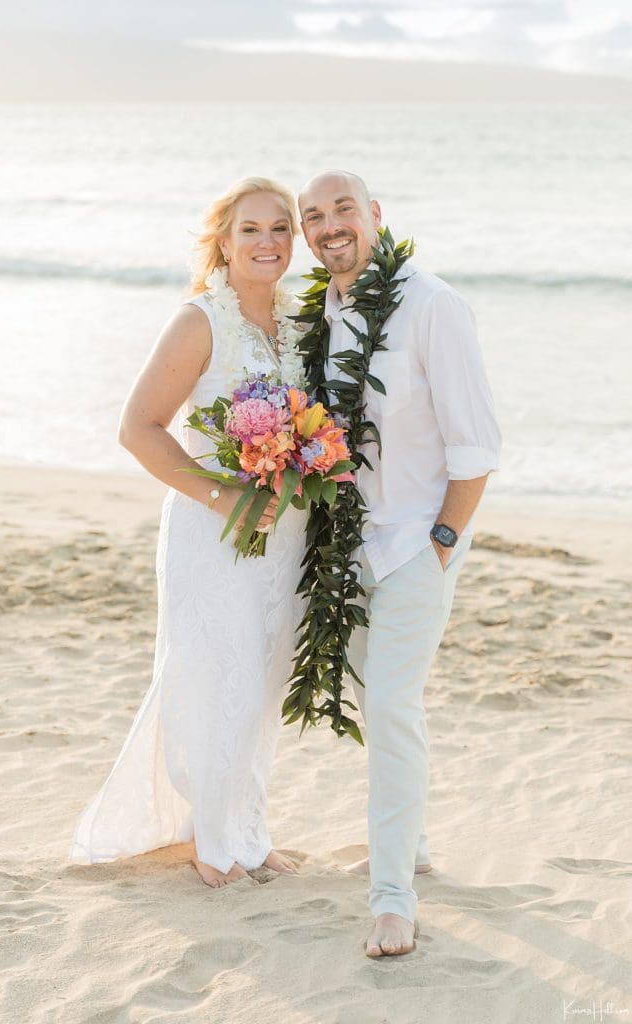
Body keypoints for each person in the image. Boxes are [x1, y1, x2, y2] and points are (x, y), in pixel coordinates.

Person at [70, 177, 307, 888]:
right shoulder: (200, 320)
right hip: (215, 529)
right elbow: (137, 428)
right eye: (250, 230)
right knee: (212, 671)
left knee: (261, 679)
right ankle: (210, 834)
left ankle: (245, 829)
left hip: (283, 534)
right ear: (223, 242)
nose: (266, 242)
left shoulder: (300, 322)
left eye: (279, 228)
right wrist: (219, 496)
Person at [297, 170, 502, 956]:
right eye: (312, 216)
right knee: (376, 701)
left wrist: (442, 545)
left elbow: (476, 445)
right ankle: (407, 847)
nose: (328, 226)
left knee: (387, 708)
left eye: (342, 208)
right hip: (346, 545)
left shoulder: (432, 305)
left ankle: (392, 898)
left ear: (375, 216)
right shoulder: (323, 308)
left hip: (419, 540)